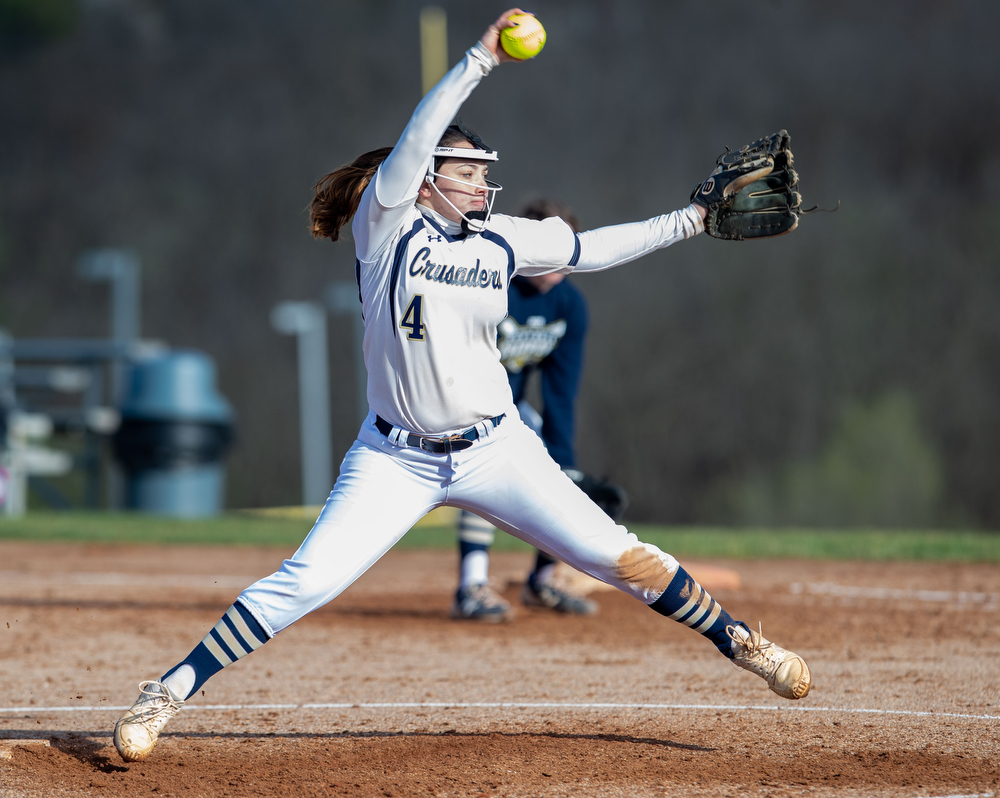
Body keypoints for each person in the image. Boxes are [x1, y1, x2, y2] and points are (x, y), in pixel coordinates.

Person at [113, 8, 812, 763]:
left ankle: (743, 642)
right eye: (468, 172)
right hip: (394, 459)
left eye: (485, 173)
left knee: (615, 556)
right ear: (426, 183)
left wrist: (694, 218)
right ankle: (167, 694)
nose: (483, 183)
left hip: (496, 448)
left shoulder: (502, 238)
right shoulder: (387, 229)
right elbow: (420, 133)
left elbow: (595, 250)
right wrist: (481, 56)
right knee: (305, 581)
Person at [452, 199, 609, 621]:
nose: (561, 261)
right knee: (481, 478)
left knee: (559, 476)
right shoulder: (493, 288)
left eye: (567, 250)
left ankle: (542, 581)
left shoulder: (569, 306)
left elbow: (561, 391)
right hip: (463, 403)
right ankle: (471, 586)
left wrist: (565, 462)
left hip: (514, 406)